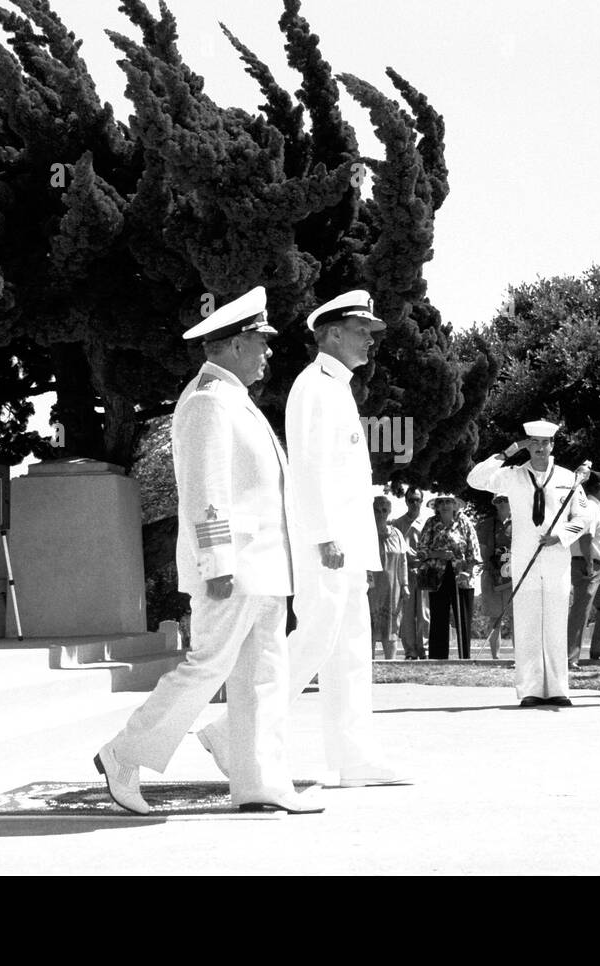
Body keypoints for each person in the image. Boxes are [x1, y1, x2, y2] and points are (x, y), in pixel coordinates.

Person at [94, 287, 321, 814]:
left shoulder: (236, 401)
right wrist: (217, 562)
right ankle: (123, 755)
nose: (268, 352)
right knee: (208, 665)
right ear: (234, 344)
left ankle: (259, 780)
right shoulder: (206, 402)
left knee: (265, 675)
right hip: (236, 566)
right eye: (260, 341)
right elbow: (205, 491)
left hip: (265, 566)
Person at [201, 289, 403, 787]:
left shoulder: (336, 387)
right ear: (332, 333)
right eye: (362, 331)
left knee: (349, 648)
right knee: (315, 641)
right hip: (326, 544)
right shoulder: (313, 386)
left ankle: (354, 757)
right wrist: (324, 536)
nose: (369, 341)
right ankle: (231, 731)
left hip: (346, 542)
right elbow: (308, 468)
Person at [468, 420, 591, 707]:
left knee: (556, 622)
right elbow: (475, 479)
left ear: (552, 446)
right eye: (533, 442)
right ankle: (530, 689)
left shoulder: (568, 477)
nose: (538, 447)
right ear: (527, 445)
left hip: (556, 558)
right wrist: (507, 451)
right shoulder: (512, 475)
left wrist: (560, 536)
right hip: (524, 557)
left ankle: (559, 688)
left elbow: (583, 518)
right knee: (527, 624)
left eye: (544, 443)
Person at [418, 495, 480, 659]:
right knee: (438, 618)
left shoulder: (464, 522)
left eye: (448, 502)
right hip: (437, 576)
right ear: (436, 507)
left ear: (455, 506)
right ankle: (438, 659)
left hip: (462, 575)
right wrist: (438, 553)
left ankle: (464, 657)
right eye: (441, 503)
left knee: (463, 618)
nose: (445, 505)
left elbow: (473, 551)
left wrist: (468, 571)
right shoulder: (431, 523)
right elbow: (421, 550)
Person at [567, 470, 600, 663]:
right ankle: (570, 657)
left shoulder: (594, 507)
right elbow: (586, 537)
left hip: (594, 566)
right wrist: (588, 563)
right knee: (582, 611)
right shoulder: (590, 507)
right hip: (587, 563)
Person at [368, 494, 409, 660]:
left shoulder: (397, 534)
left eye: (384, 510)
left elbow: (403, 561)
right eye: (376, 510)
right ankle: (368, 663)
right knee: (368, 625)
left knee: (391, 627)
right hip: (371, 588)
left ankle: (390, 663)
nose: (380, 514)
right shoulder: (365, 533)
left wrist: (405, 584)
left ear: (389, 512)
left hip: (393, 588)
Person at [394, 488, 430, 659]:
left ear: (422, 501)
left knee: (424, 613)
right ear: (406, 501)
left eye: (417, 500)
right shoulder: (397, 523)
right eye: (411, 500)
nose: (414, 503)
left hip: (424, 571)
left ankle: (424, 650)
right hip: (404, 572)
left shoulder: (428, 522)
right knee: (407, 614)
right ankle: (410, 651)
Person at [476, 493, 513, 659]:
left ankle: (518, 656)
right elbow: (483, 553)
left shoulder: (523, 522)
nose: (502, 503)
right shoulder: (486, 524)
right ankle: (494, 657)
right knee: (494, 618)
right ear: (494, 503)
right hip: (492, 575)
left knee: (517, 618)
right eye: (498, 500)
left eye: (505, 499)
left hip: (516, 575)